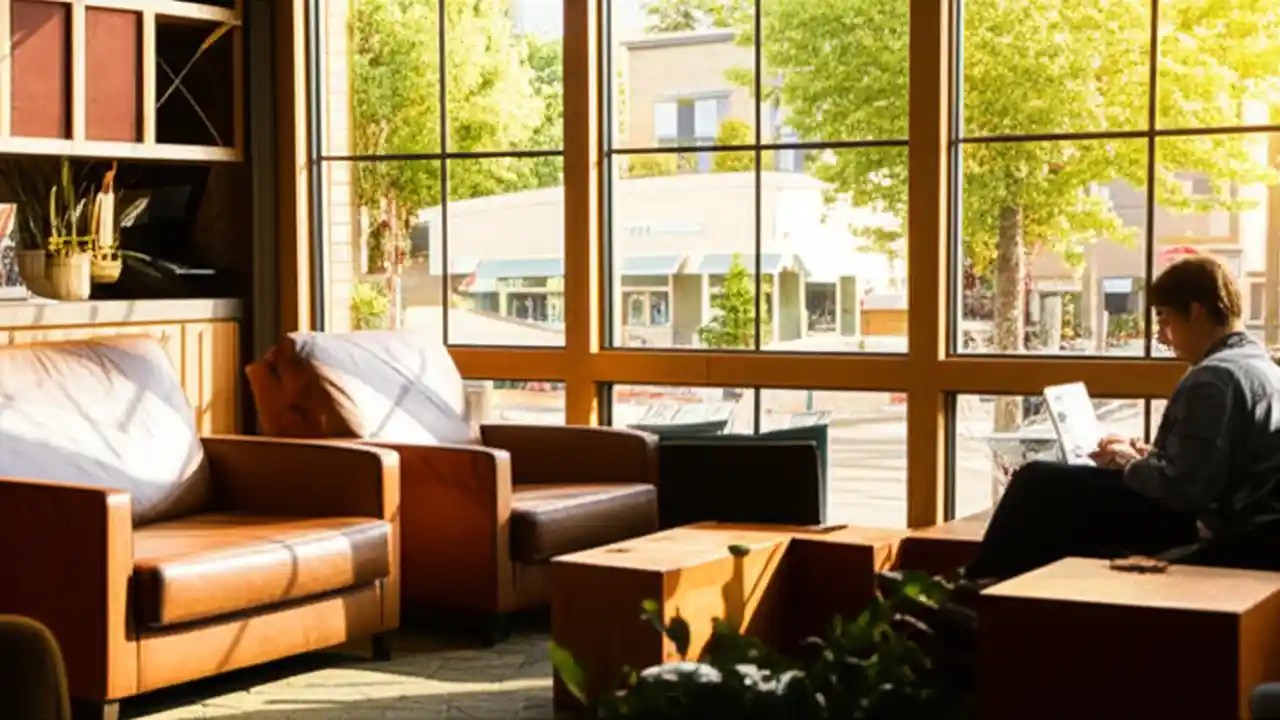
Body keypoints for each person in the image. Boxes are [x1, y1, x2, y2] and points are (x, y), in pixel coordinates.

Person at [965, 256, 1280, 580]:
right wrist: (1145, 456)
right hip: (1246, 524)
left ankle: (979, 587)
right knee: (1061, 488)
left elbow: (1184, 489)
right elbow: (1210, 462)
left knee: (1039, 483)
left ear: (1196, 311)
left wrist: (1130, 463)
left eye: (1164, 318)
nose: (1161, 336)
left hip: (1208, 526)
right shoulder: (1261, 368)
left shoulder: (1213, 379)